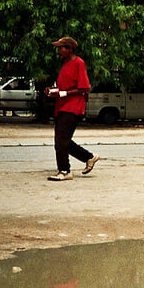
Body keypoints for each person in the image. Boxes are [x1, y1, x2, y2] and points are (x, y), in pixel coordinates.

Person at [45, 37, 99, 181]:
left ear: (69, 49)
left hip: (73, 106)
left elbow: (84, 88)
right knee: (64, 140)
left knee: (61, 140)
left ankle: (64, 171)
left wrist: (64, 93)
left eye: (61, 48)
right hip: (62, 105)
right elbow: (65, 87)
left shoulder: (78, 63)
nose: (58, 51)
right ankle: (89, 157)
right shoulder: (65, 64)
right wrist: (54, 91)